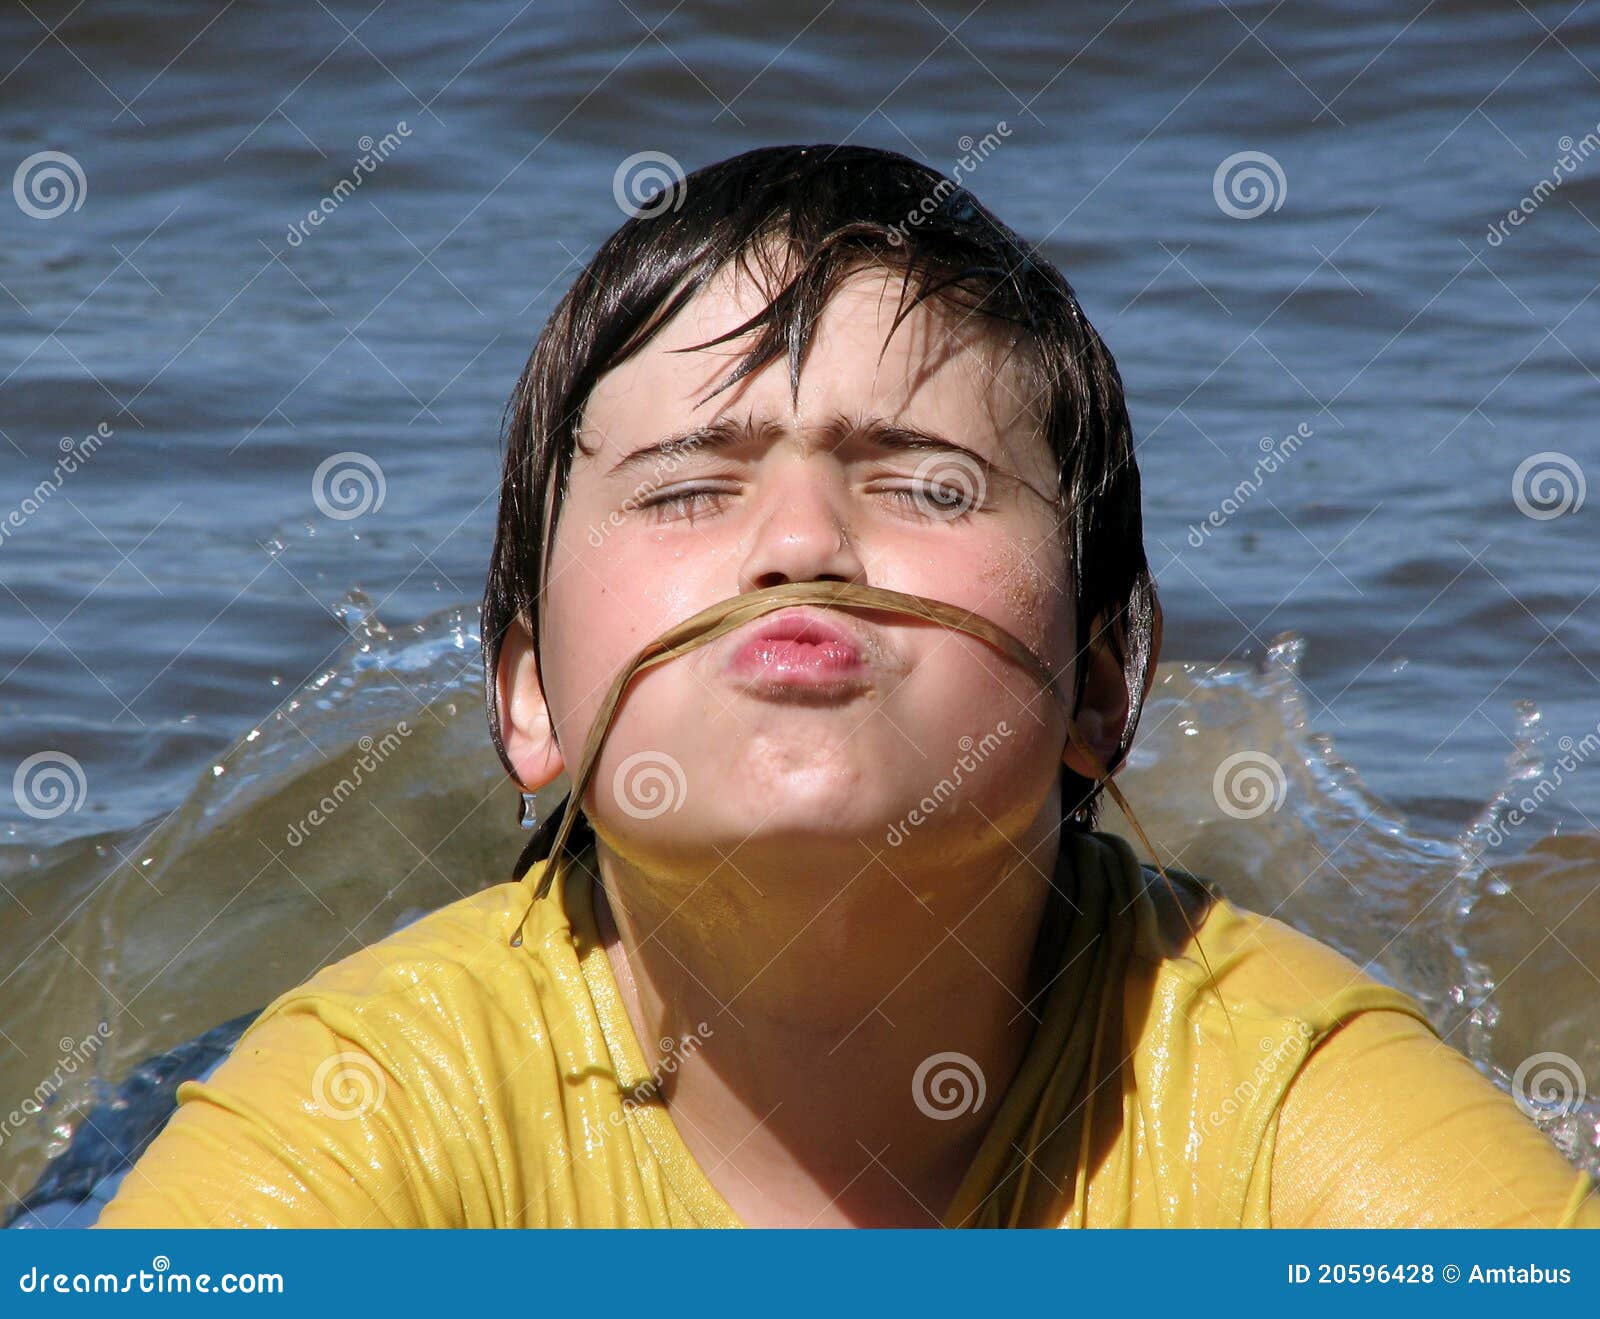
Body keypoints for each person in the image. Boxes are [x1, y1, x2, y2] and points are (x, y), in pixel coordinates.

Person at [97, 144, 1597, 1229]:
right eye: (690, 489)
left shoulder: (1271, 1088)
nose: (802, 545)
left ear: (1100, 683)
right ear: (529, 695)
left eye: (928, 486)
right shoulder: (376, 1095)